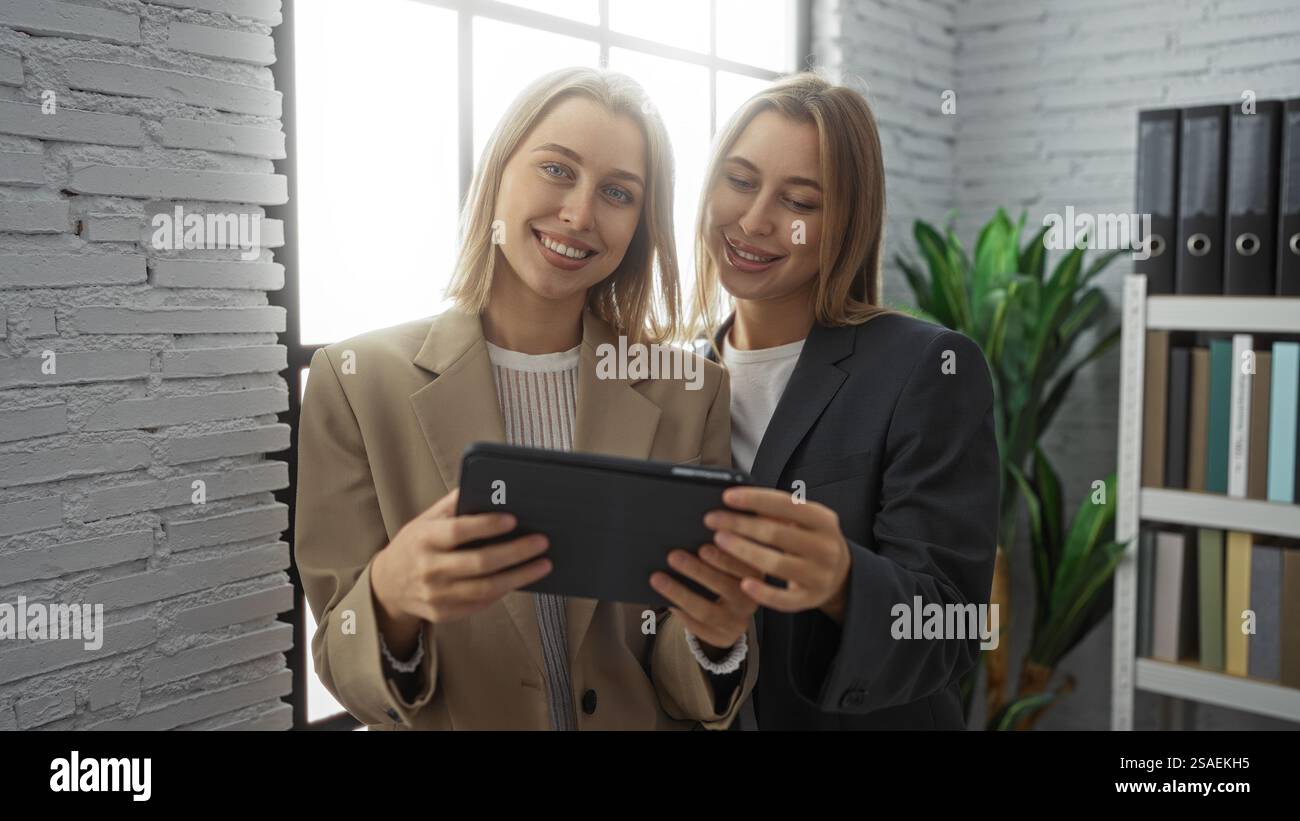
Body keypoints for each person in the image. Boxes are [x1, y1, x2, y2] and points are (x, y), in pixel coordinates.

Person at [295, 68, 758, 730]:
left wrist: (717, 640)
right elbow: (349, 670)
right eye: (557, 169)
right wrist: (391, 595)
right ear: (499, 171)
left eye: (618, 192)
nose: (579, 214)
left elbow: (686, 681)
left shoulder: (690, 392)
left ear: (640, 224)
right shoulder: (356, 381)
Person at [689, 73, 999, 729]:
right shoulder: (667, 379)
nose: (753, 220)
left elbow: (953, 624)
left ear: (845, 226)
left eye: (799, 201)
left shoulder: (926, 368)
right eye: (740, 181)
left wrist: (843, 582)